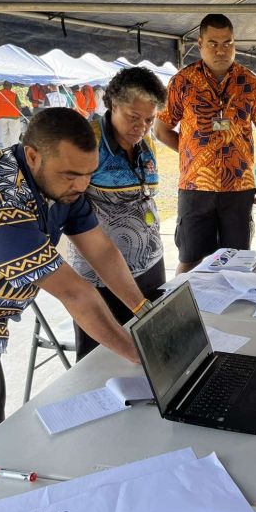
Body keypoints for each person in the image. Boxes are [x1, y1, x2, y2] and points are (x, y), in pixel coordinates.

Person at [0, 108, 151, 480]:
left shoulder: (61, 184)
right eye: (71, 175)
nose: (81, 185)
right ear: (33, 155)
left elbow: (101, 250)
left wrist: (143, 310)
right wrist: (142, 355)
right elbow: (75, 294)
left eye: (88, 173)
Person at [154, 13, 256, 274]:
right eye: (213, 43)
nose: (221, 50)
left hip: (239, 188)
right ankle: (184, 302)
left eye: (227, 43)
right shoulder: (182, 82)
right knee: (190, 260)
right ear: (200, 44)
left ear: (235, 43)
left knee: (237, 262)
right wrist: (193, 153)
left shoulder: (251, 84)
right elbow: (161, 130)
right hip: (195, 187)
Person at [68, 67, 168, 360]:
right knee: (102, 358)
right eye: (133, 117)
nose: (141, 127)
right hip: (102, 275)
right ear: (113, 104)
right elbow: (70, 210)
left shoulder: (145, 142)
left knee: (153, 348)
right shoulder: (87, 142)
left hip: (149, 264)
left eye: (149, 119)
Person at [0, 81, 23, 148]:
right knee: (14, 134)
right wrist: (20, 110)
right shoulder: (14, 94)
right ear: (10, 86)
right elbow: (19, 107)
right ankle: (14, 148)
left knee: (4, 133)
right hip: (13, 117)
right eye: (11, 85)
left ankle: (6, 148)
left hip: (2, 117)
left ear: (3, 86)